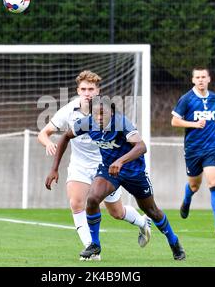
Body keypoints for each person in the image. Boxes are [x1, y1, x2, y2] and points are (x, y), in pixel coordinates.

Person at [46, 97, 186, 261]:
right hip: (109, 170)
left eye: (102, 113)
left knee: (151, 211)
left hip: (134, 171)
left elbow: (141, 146)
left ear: (111, 112)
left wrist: (120, 161)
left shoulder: (121, 123)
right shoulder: (87, 122)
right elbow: (65, 137)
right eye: (95, 113)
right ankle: (95, 244)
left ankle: (174, 241)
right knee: (92, 199)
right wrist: (54, 168)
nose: (99, 117)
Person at [39, 71, 151, 260]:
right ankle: (91, 249)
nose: (87, 93)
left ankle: (142, 222)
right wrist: (49, 144)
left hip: (105, 167)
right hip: (79, 166)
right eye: (83, 89)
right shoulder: (69, 110)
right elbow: (44, 133)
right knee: (76, 203)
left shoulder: (109, 112)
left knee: (116, 212)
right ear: (77, 91)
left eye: (91, 89)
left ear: (98, 91)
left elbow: (128, 138)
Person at [171, 67, 215, 237]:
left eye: (203, 77)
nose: (200, 80)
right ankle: (187, 200)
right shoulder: (186, 99)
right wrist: (193, 124)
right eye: (197, 77)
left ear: (209, 79)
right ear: (193, 80)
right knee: (194, 185)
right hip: (193, 149)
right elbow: (174, 121)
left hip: (212, 147)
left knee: (214, 182)